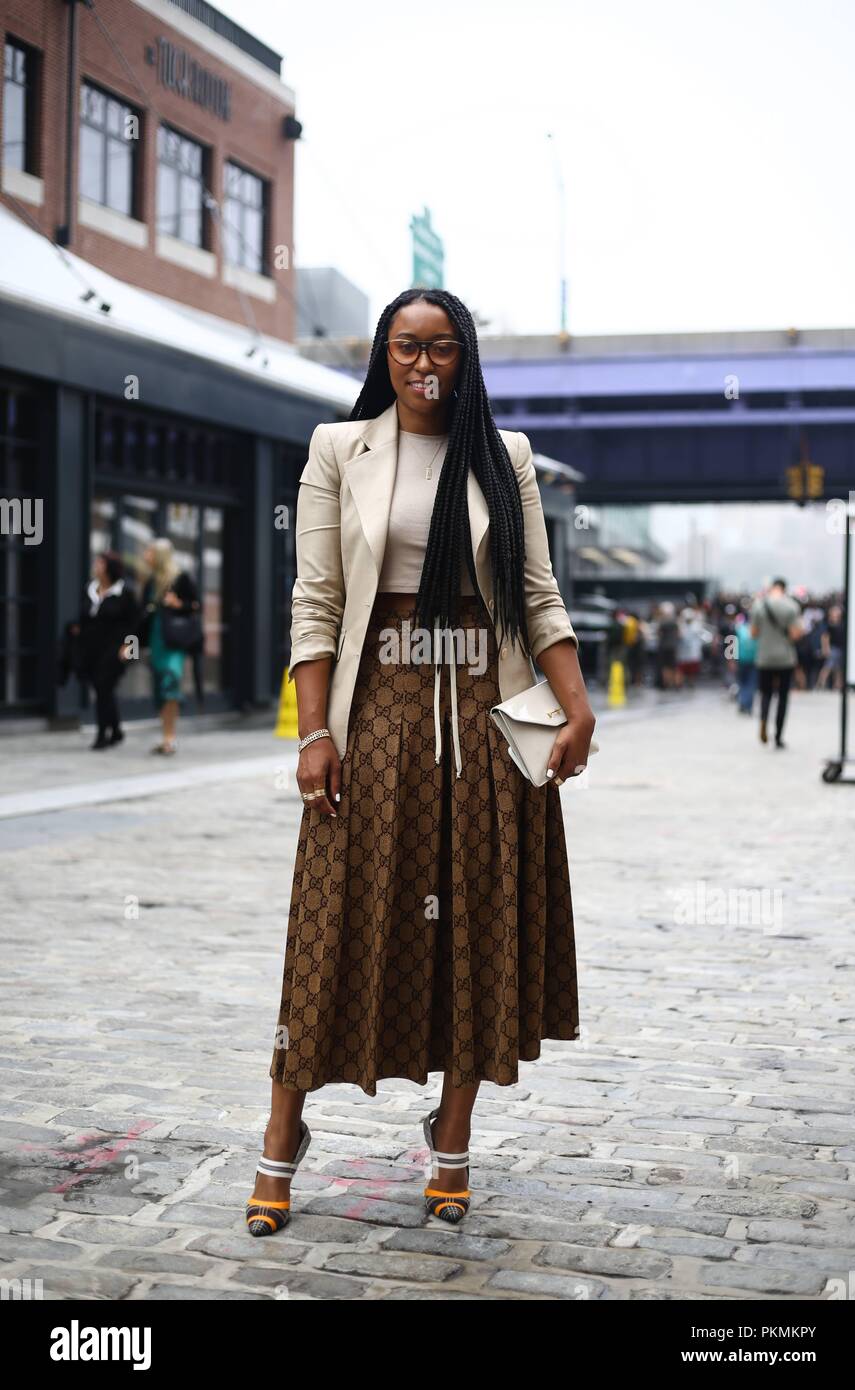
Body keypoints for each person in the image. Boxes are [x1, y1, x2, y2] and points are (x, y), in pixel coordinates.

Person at [248, 287, 596, 1237]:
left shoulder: (504, 455)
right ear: (385, 354)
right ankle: (283, 1137)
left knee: (474, 933)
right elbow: (315, 603)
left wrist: (577, 705)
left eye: (440, 346)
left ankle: (452, 1136)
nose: (423, 362)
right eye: (406, 347)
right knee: (331, 925)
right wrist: (315, 735)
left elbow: (535, 595)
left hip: (487, 717)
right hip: (378, 715)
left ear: (464, 354)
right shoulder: (337, 450)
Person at [137, 539, 201, 755]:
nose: (146, 555)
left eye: (150, 551)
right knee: (160, 686)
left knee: (171, 679)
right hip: (157, 637)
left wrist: (178, 604)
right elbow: (143, 614)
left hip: (174, 639)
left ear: (160, 555)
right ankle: (166, 734)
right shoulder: (151, 581)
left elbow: (195, 605)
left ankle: (170, 737)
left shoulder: (180, 578)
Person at [71, 551, 140, 749]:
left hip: (115, 649)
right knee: (104, 691)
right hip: (91, 649)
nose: (96, 566)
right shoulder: (89, 588)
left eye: (101, 563)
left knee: (103, 688)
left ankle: (102, 734)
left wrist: (129, 649)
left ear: (110, 567)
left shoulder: (125, 592)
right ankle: (116, 729)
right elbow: (83, 617)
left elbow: (135, 624)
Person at [750, 578, 803, 748]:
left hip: (764, 657)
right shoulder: (791, 606)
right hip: (785, 658)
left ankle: (764, 719)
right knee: (783, 698)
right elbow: (796, 634)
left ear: (772, 588)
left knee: (765, 693)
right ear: (784, 589)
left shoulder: (758, 605)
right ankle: (779, 736)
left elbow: (753, 633)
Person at [733, 609, 758, 714]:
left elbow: (731, 642)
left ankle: (743, 702)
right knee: (751, 683)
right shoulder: (757, 629)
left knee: (742, 682)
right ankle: (748, 705)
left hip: (741, 659)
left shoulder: (738, 628)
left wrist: (731, 659)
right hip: (754, 660)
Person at [815, 604, 844, 691]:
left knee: (838, 668)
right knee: (828, 666)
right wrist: (826, 648)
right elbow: (825, 637)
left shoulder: (841, 623)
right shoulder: (828, 624)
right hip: (833, 648)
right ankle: (820, 684)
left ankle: (838, 685)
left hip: (840, 648)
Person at [676, 607, 703, 689]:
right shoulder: (681, 625)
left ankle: (690, 683)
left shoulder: (696, 625)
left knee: (692, 670)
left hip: (693, 652)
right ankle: (679, 684)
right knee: (681, 669)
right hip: (683, 652)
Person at [656, 601, 680, 689]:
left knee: (665, 666)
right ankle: (676, 683)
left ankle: (666, 684)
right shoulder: (675, 621)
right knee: (674, 666)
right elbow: (679, 634)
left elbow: (659, 634)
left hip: (664, 646)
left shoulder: (662, 622)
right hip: (673, 646)